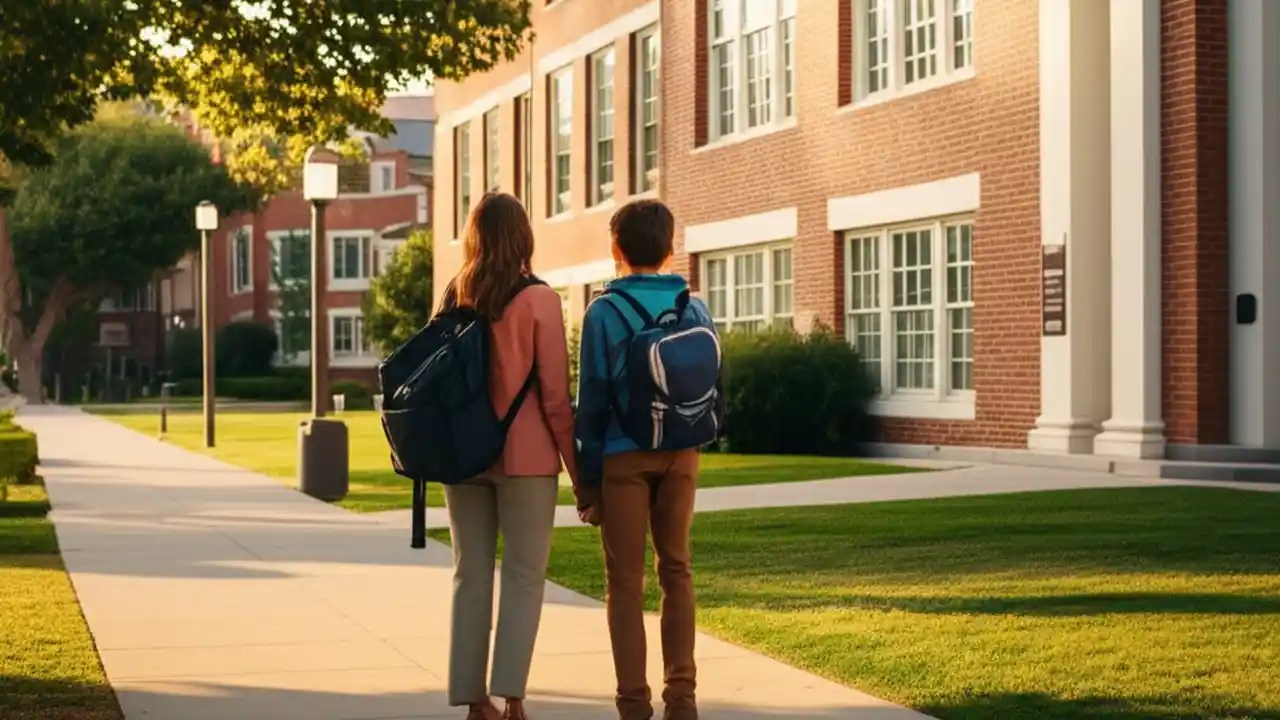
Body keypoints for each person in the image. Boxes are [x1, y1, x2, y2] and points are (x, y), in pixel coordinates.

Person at [438, 192, 580, 720]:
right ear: (522, 235)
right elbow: (556, 402)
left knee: (469, 573)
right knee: (523, 574)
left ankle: (475, 701)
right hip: (526, 459)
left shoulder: (456, 293)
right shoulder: (539, 300)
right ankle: (514, 698)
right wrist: (579, 475)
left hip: (464, 456)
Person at [575, 200, 715, 720]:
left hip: (622, 455)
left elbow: (591, 400)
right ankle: (683, 699)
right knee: (677, 569)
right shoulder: (693, 308)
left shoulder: (603, 312)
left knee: (625, 583)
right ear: (670, 247)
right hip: (682, 451)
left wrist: (588, 485)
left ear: (615, 249)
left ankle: (633, 704)